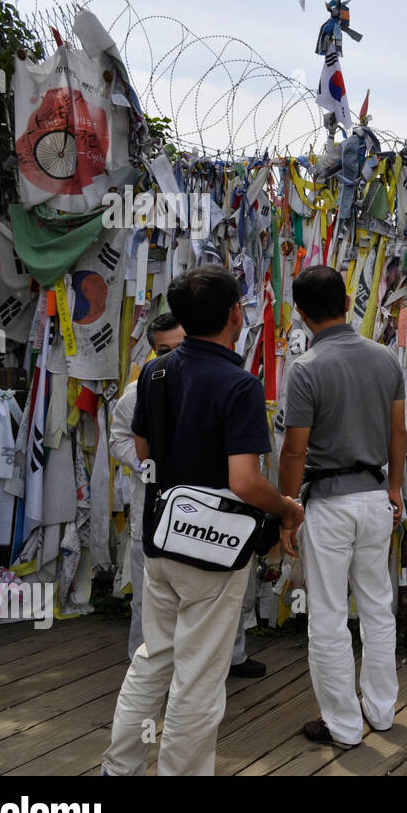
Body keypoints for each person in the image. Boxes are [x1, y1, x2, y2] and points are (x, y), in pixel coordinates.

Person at [102, 265, 302, 776]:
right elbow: (243, 481)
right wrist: (285, 507)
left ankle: (117, 768)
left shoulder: (153, 372)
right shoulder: (240, 385)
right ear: (237, 314)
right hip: (213, 548)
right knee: (199, 679)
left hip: (161, 539)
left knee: (152, 659)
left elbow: (145, 452)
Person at [277, 264, 406, 749]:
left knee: (328, 616)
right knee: (377, 607)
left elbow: (294, 450)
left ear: (303, 314)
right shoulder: (385, 358)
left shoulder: (306, 369)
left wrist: (288, 509)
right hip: (376, 497)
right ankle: (382, 711)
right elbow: (399, 431)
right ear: (348, 302)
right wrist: (394, 488)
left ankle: (344, 726)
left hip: (327, 504)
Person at [111, 313, 267, 676]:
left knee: (225, 587)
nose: (174, 355)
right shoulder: (141, 389)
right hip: (156, 507)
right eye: (165, 349)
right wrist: (145, 463)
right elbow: (122, 438)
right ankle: (145, 662)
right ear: (152, 350)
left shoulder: (226, 383)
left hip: (216, 509)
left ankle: (233, 657)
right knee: (152, 599)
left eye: (181, 346)